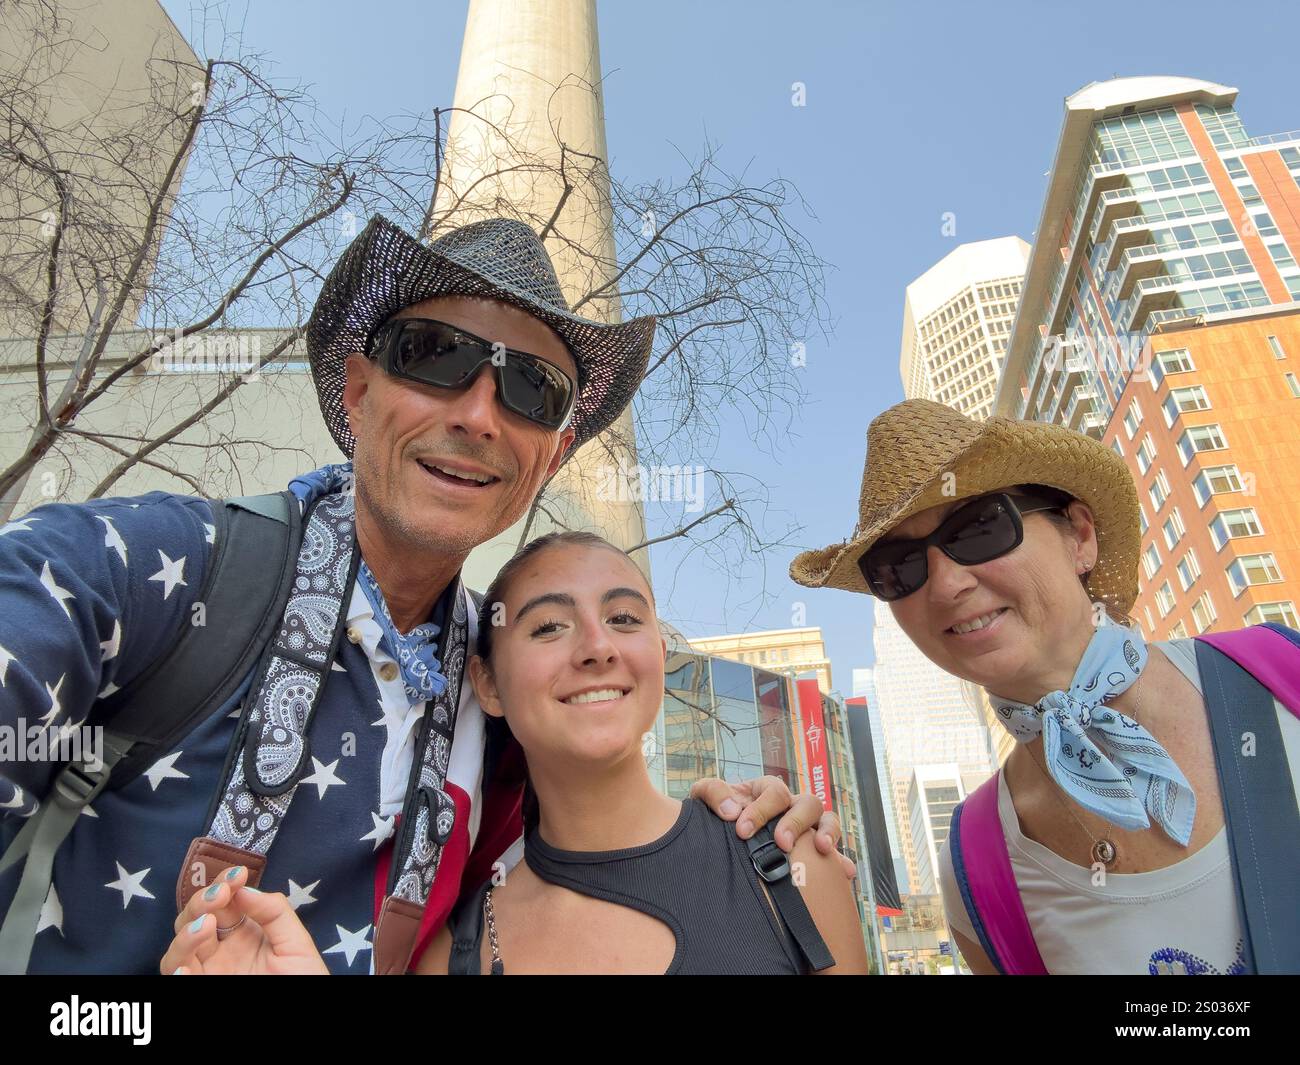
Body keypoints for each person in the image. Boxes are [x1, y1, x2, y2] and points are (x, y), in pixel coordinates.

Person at [0, 215, 846, 975]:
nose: (479, 414)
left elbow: (602, 828)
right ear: (360, 393)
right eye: (437, 355)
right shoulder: (142, 567)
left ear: (547, 460)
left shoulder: (510, 675)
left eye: (530, 390)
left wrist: (735, 828)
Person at [160, 532, 871, 975]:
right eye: (549, 626)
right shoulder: (459, 949)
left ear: (658, 652)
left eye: (624, 618)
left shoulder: (790, 867)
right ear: (488, 684)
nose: (596, 645)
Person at [790, 398, 1300, 975]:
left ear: (1080, 536)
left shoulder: (1280, 673)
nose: (947, 584)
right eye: (899, 567)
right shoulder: (976, 870)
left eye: (979, 526)